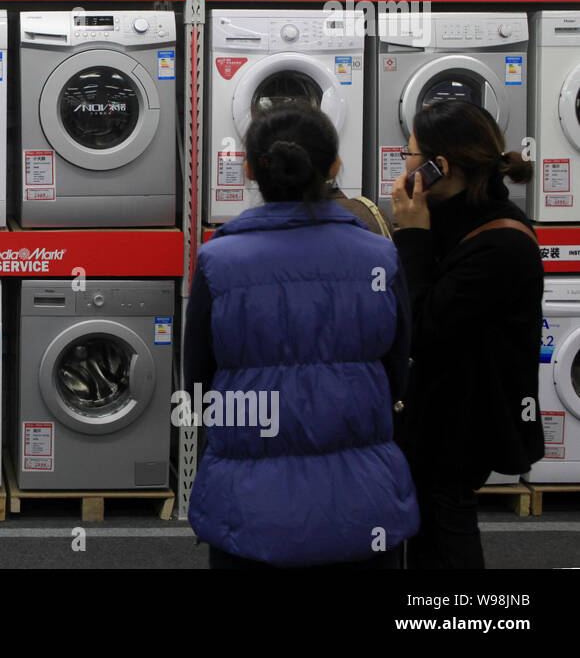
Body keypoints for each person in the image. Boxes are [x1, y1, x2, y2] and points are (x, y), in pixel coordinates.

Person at [185, 102, 419, 568]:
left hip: (248, 508)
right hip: (362, 503)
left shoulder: (219, 261)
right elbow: (398, 371)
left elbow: (198, 382)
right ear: (334, 168)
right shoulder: (380, 257)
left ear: (250, 169)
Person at [390, 100, 545, 569]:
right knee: (431, 525)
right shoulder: (462, 217)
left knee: (446, 522)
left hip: (464, 423)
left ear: (442, 167)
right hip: (445, 413)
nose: (405, 162)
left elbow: (422, 326)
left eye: (410, 155)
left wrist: (412, 236)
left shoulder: (500, 242)